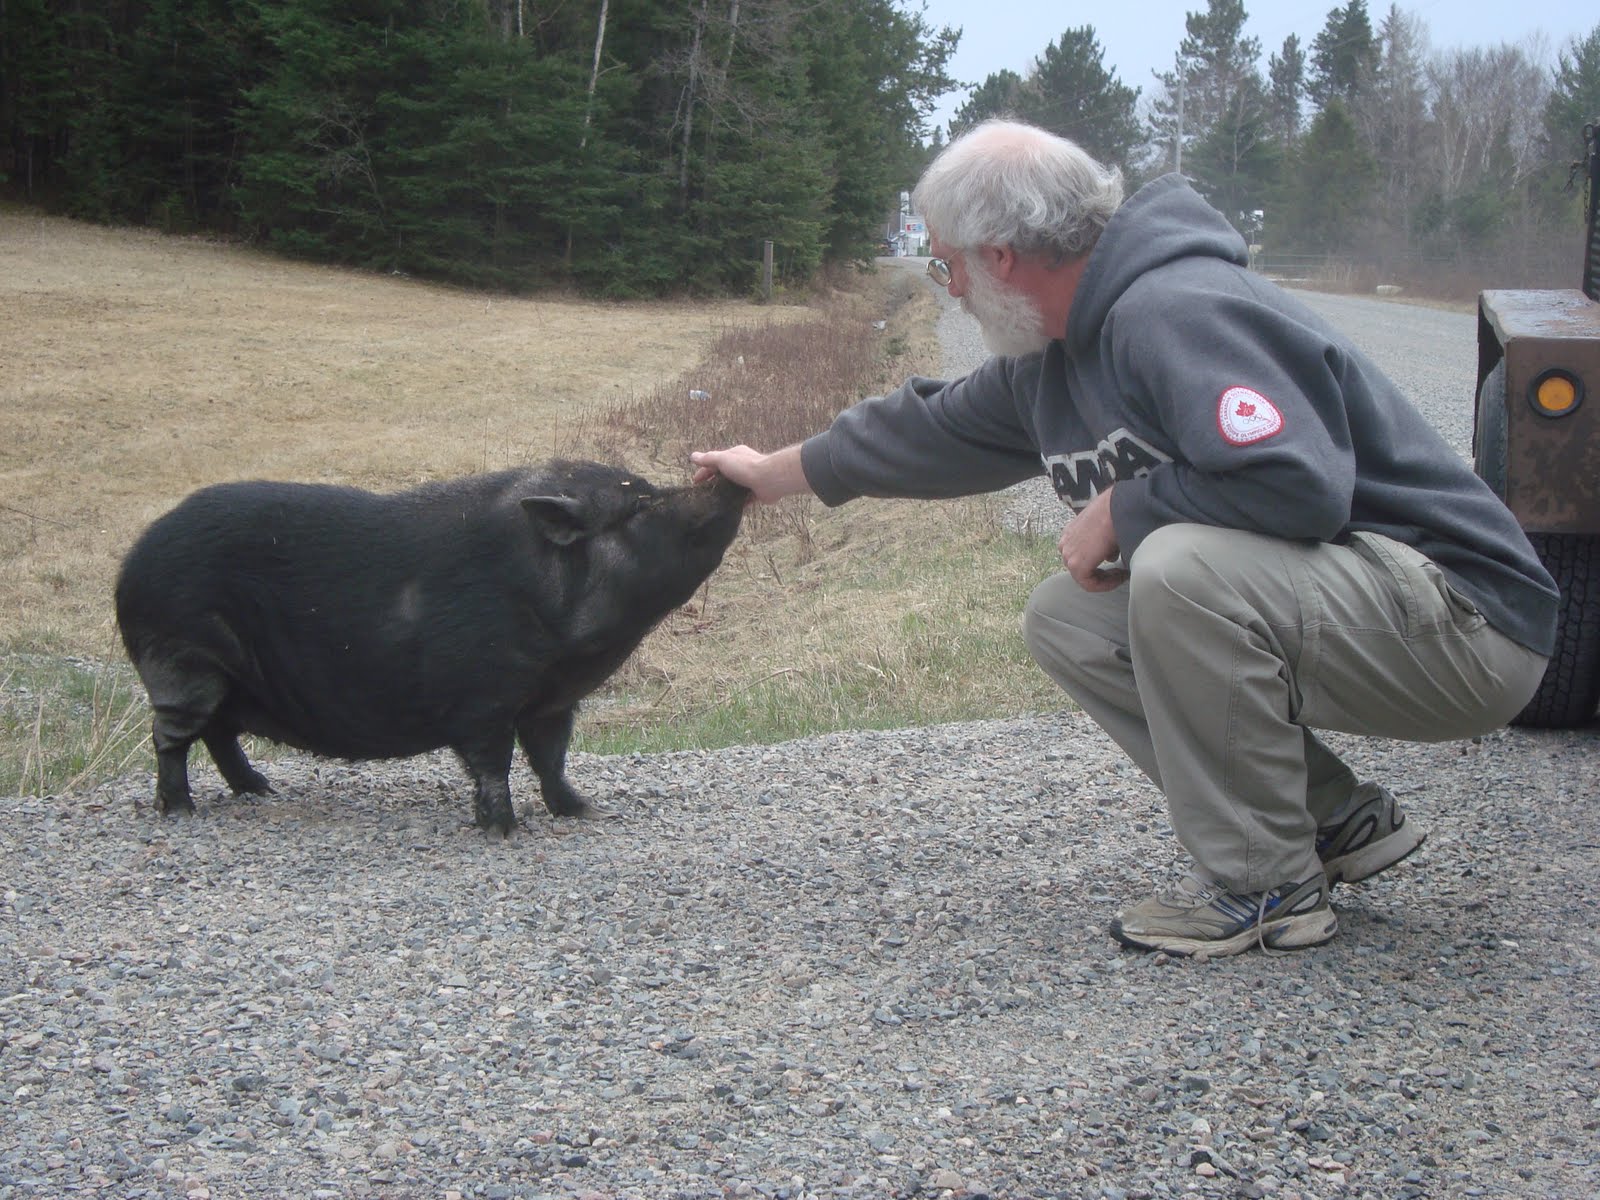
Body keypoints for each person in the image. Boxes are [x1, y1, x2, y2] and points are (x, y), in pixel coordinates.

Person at [690, 119, 1557, 959]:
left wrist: (1125, 508)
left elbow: (1300, 483)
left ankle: (1268, 893)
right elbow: (923, 430)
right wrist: (768, 472)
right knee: (1069, 615)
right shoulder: (1056, 356)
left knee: (1178, 568)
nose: (947, 288)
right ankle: (1332, 819)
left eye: (944, 264)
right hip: (1378, 615)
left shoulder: (1173, 308)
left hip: (1468, 623)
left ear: (999, 257)